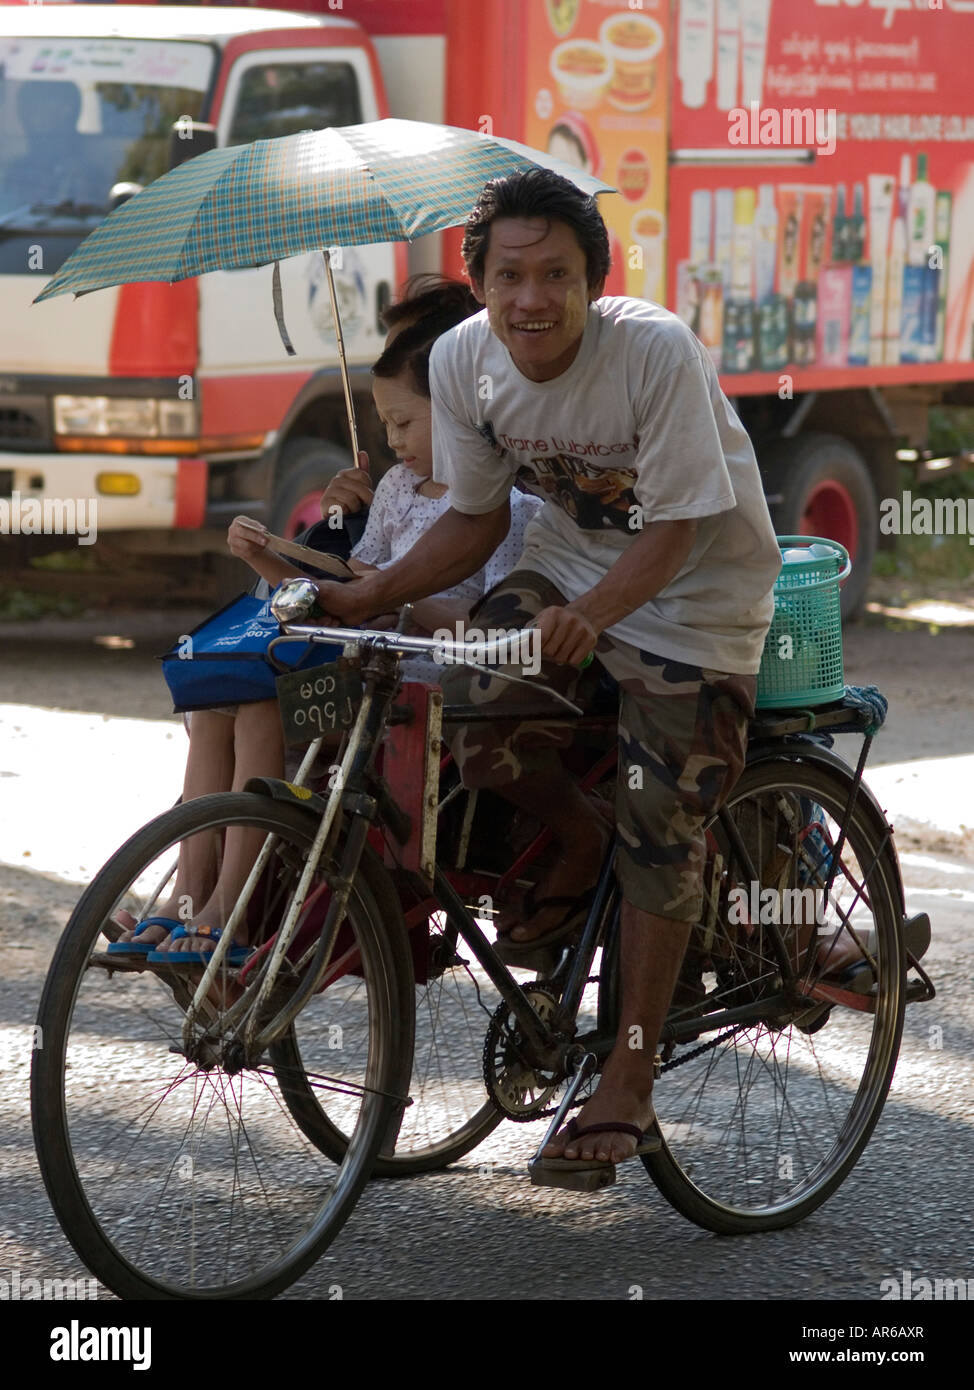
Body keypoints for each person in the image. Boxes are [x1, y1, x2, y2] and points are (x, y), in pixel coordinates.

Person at [314, 167, 784, 1178]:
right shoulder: (461, 359)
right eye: (511, 274)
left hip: (696, 600)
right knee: (467, 714)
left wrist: (593, 617)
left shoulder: (650, 350)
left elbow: (679, 526)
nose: (533, 296)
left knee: (662, 827)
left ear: (591, 280)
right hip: (565, 570)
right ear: (477, 280)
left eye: (556, 275)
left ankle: (628, 1078)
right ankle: (578, 835)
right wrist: (372, 590)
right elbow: (476, 518)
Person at [110, 277, 541, 965]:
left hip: (417, 691)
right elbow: (343, 581)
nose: (392, 439)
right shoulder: (399, 489)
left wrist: (394, 594)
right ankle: (189, 896)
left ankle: (232, 911)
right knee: (219, 701)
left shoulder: (514, 509)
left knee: (259, 710)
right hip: (357, 660)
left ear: (461, 408)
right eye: (386, 423)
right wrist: (280, 554)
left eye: (404, 422)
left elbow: (483, 627)